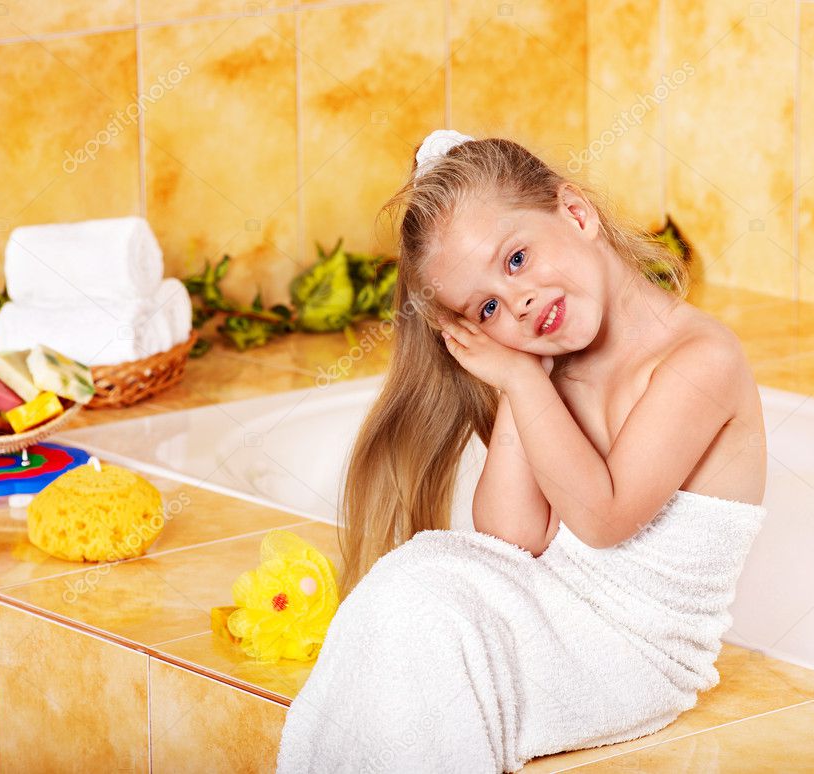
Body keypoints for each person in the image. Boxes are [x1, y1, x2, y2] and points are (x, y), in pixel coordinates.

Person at [275, 131, 769, 772]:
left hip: (641, 653)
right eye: (488, 308)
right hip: (565, 613)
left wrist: (520, 378)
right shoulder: (550, 366)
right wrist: (525, 375)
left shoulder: (701, 359)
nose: (520, 302)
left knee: (421, 611)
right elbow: (512, 536)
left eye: (516, 260)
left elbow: (604, 517)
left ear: (577, 214)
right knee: (404, 586)